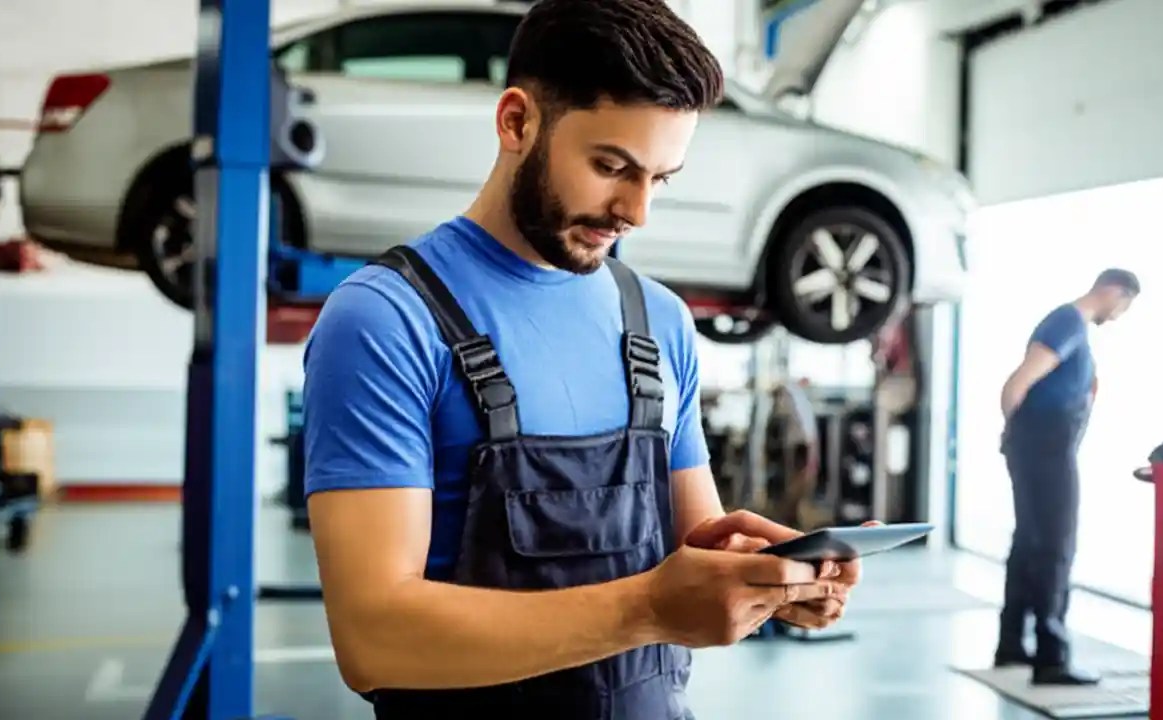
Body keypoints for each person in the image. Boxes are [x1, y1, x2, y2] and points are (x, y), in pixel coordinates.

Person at [301, 1, 870, 717]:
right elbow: (374, 640)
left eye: (660, 179)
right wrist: (652, 610)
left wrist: (767, 583)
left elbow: (689, 542)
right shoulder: (386, 321)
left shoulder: (658, 321)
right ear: (516, 122)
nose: (636, 212)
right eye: (611, 166)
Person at [994, 268, 1140, 685]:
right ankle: (1051, 657)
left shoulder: (1070, 326)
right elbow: (1017, 383)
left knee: (1029, 543)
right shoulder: (1068, 322)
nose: (1119, 315)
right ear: (1116, 292)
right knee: (1057, 546)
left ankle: (1011, 645)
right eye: (1124, 306)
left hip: (1040, 448)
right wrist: (1017, 434)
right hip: (1045, 450)